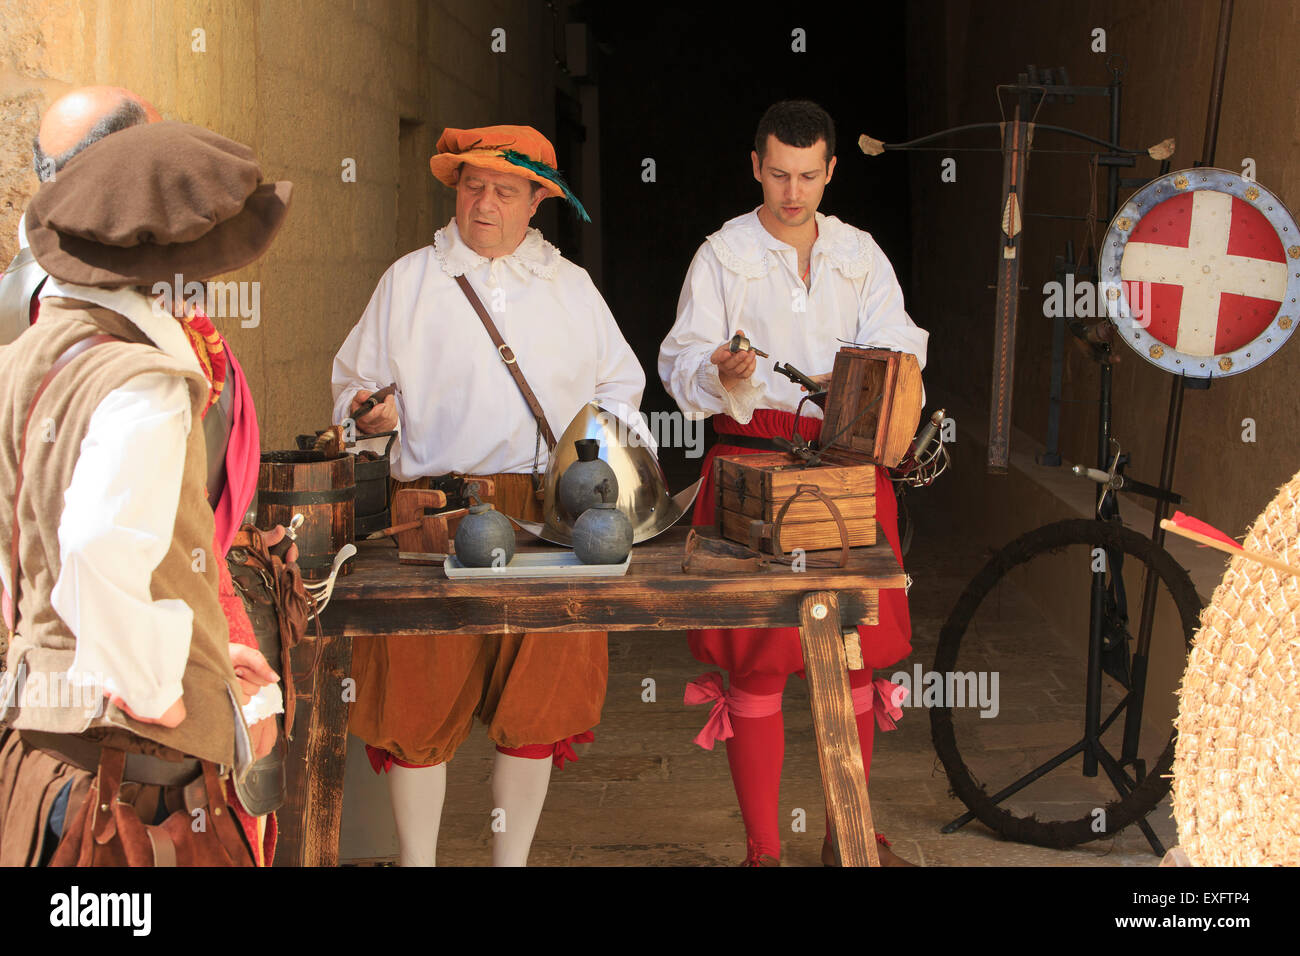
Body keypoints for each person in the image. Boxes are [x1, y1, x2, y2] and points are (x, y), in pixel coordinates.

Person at [332, 124, 645, 867]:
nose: (484, 203)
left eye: (505, 190)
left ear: (538, 200)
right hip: (432, 512)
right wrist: (371, 414)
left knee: (541, 698)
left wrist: (589, 465)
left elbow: (622, 394)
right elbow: (353, 386)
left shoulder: (570, 288)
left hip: (548, 516)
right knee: (416, 696)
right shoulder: (409, 281)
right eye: (473, 185)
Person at [0, 120, 293, 866]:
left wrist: (197, 648)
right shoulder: (148, 383)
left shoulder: (28, 353)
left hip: (44, 752)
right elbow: (96, 546)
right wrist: (159, 682)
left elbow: (39, 550)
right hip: (134, 782)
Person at [658, 99, 928, 866]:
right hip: (752, 462)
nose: (792, 191)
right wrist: (721, 368)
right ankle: (764, 852)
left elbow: (902, 340)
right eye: (778, 174)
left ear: (830, 171)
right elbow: (678, 359)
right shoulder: (721, 254)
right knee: (761, 660)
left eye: (808, 176)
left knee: (857, 654)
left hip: (847, 466)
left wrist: (871, 375)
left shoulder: (860, 254)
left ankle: (851, 839)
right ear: (756, 166)